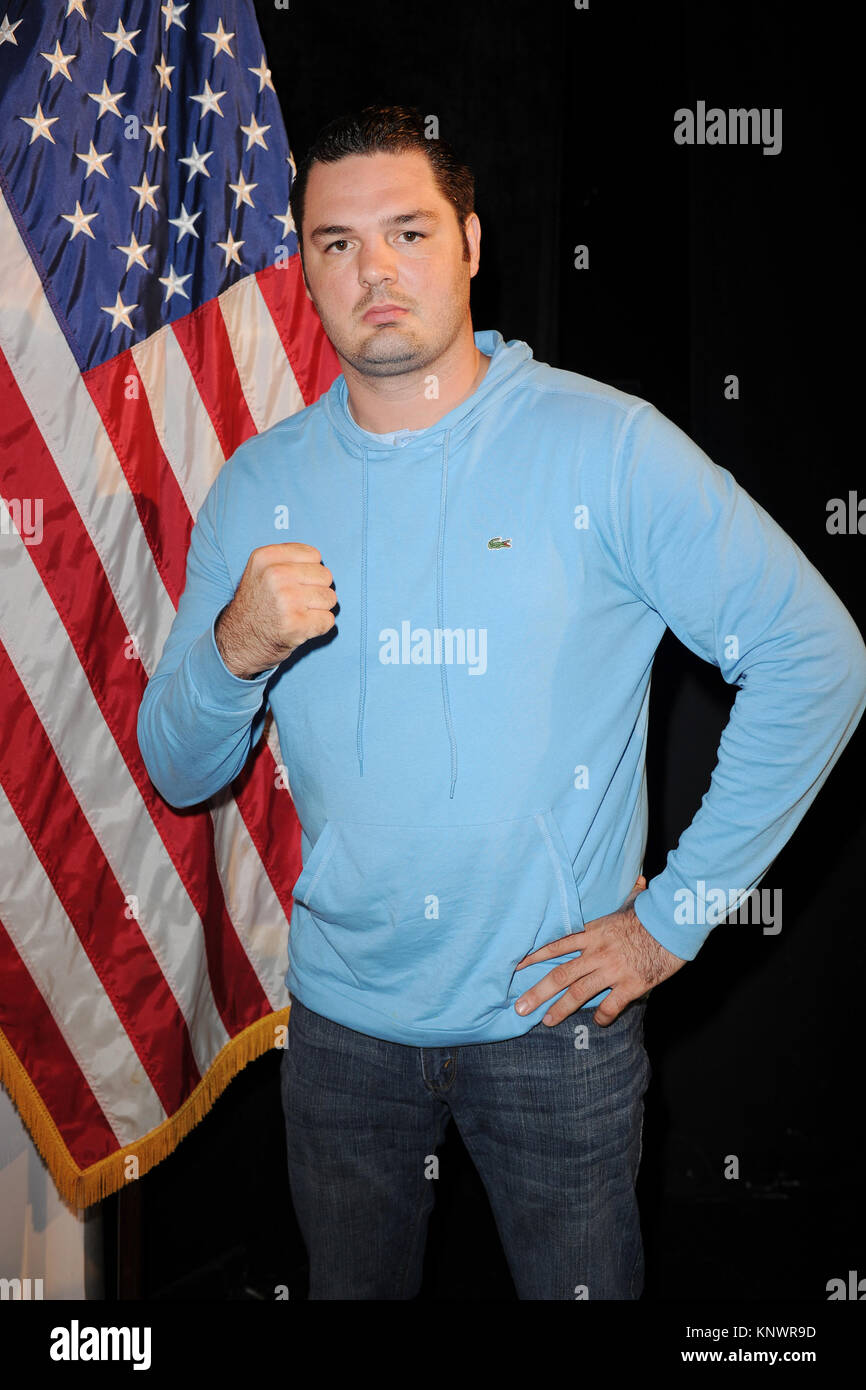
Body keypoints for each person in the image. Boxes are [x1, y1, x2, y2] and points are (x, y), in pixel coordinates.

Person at [136, 104, 866, 1300]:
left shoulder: (605, 446)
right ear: (304, 271)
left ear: (470, 244)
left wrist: (672, 918)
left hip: (552, 1032)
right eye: (335, 242)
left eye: (408, 231)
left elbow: (813, 655)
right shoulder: (259, 483)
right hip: (339, 1030)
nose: (374, 269)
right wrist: (232, 647)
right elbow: (174, 769)